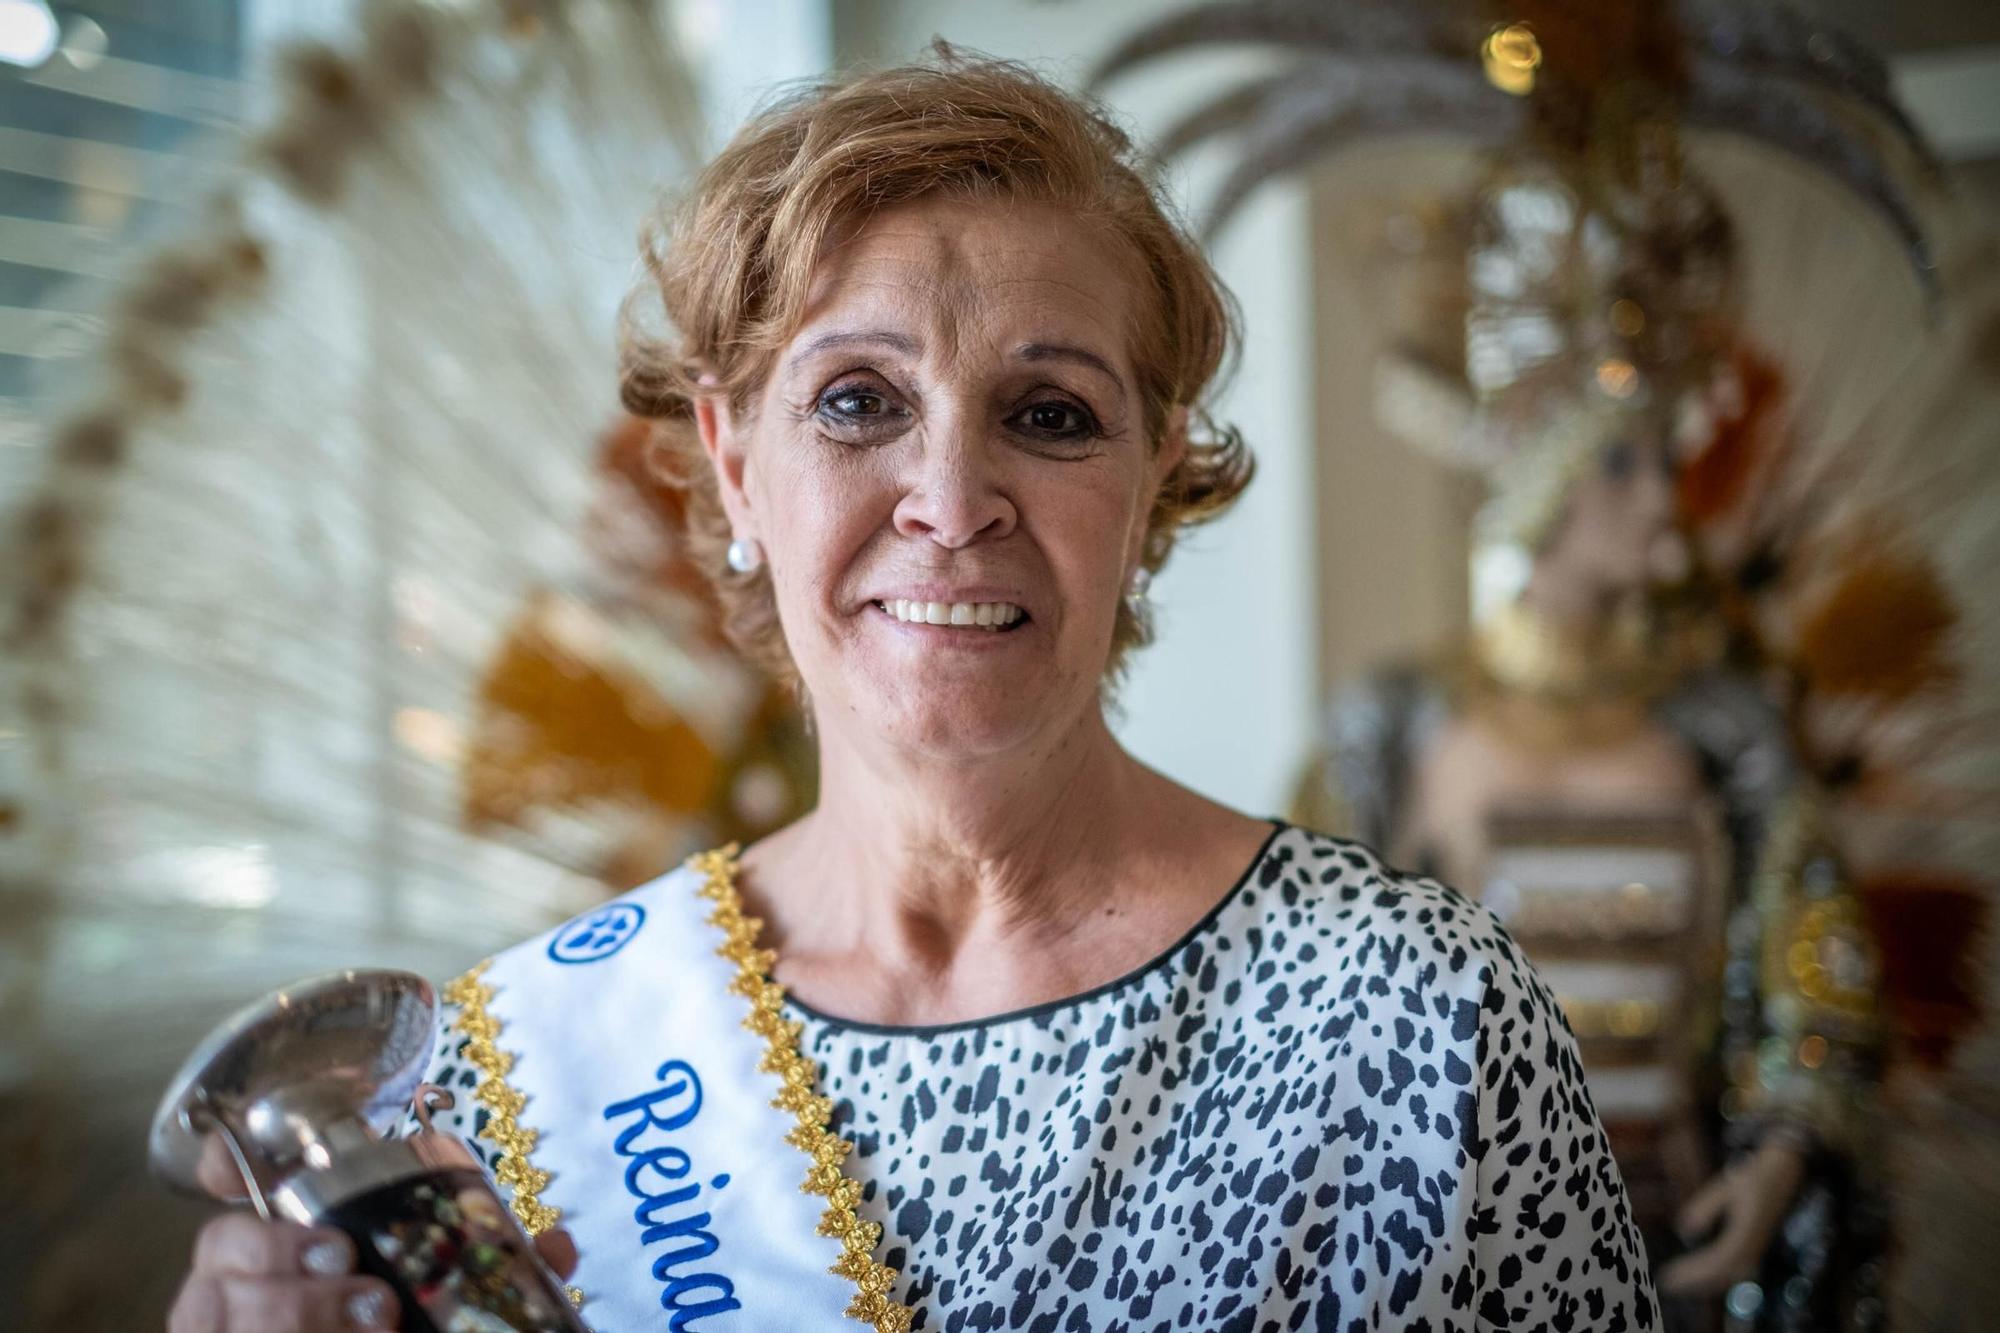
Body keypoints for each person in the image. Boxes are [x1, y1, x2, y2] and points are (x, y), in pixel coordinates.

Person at [168, 54, 1658, 1332]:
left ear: (1152, 485)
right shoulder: (519, 1084)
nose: (950, 499)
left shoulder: (1421, 1020)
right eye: (858, 401)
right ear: (736, 461)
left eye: (1049, 412)